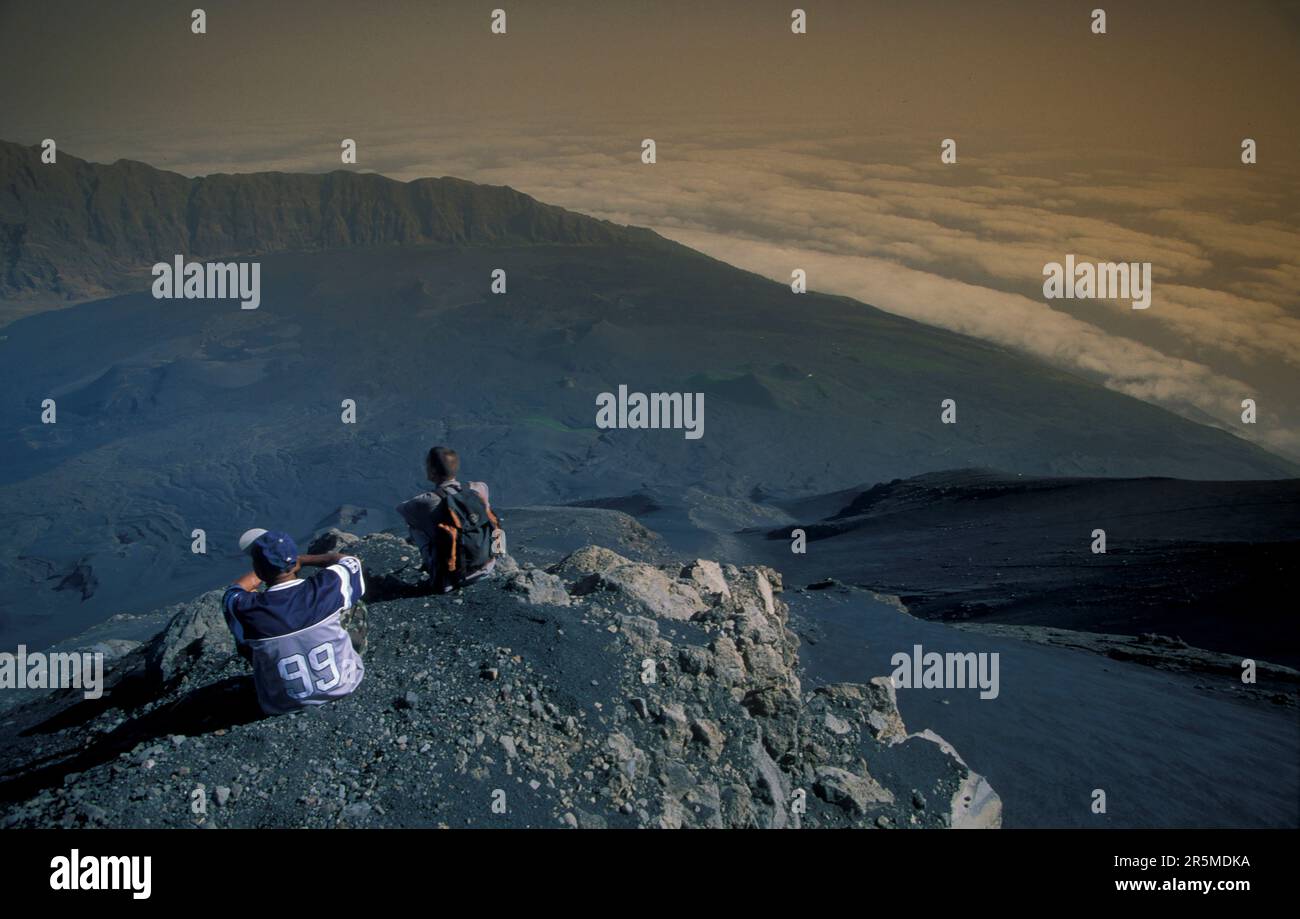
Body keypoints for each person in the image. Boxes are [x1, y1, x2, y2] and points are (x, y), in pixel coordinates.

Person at [222, 528, 367, 716]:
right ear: (294, 563)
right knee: (356, 605)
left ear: (259, 568)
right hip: (345, 684)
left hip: (282, 703)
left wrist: (264, 568)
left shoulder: (244, 608)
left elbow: (234, 591)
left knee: (245, 636)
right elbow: (349, 561)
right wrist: (302, 560)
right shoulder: (329, 586)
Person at [396, 446, 502, 594]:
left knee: (415, 527)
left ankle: (439, 571)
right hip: (487, 566)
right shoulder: (479, 489)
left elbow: (401, 509)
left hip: (454, 578)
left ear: (432, 470)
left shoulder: (426, 501)